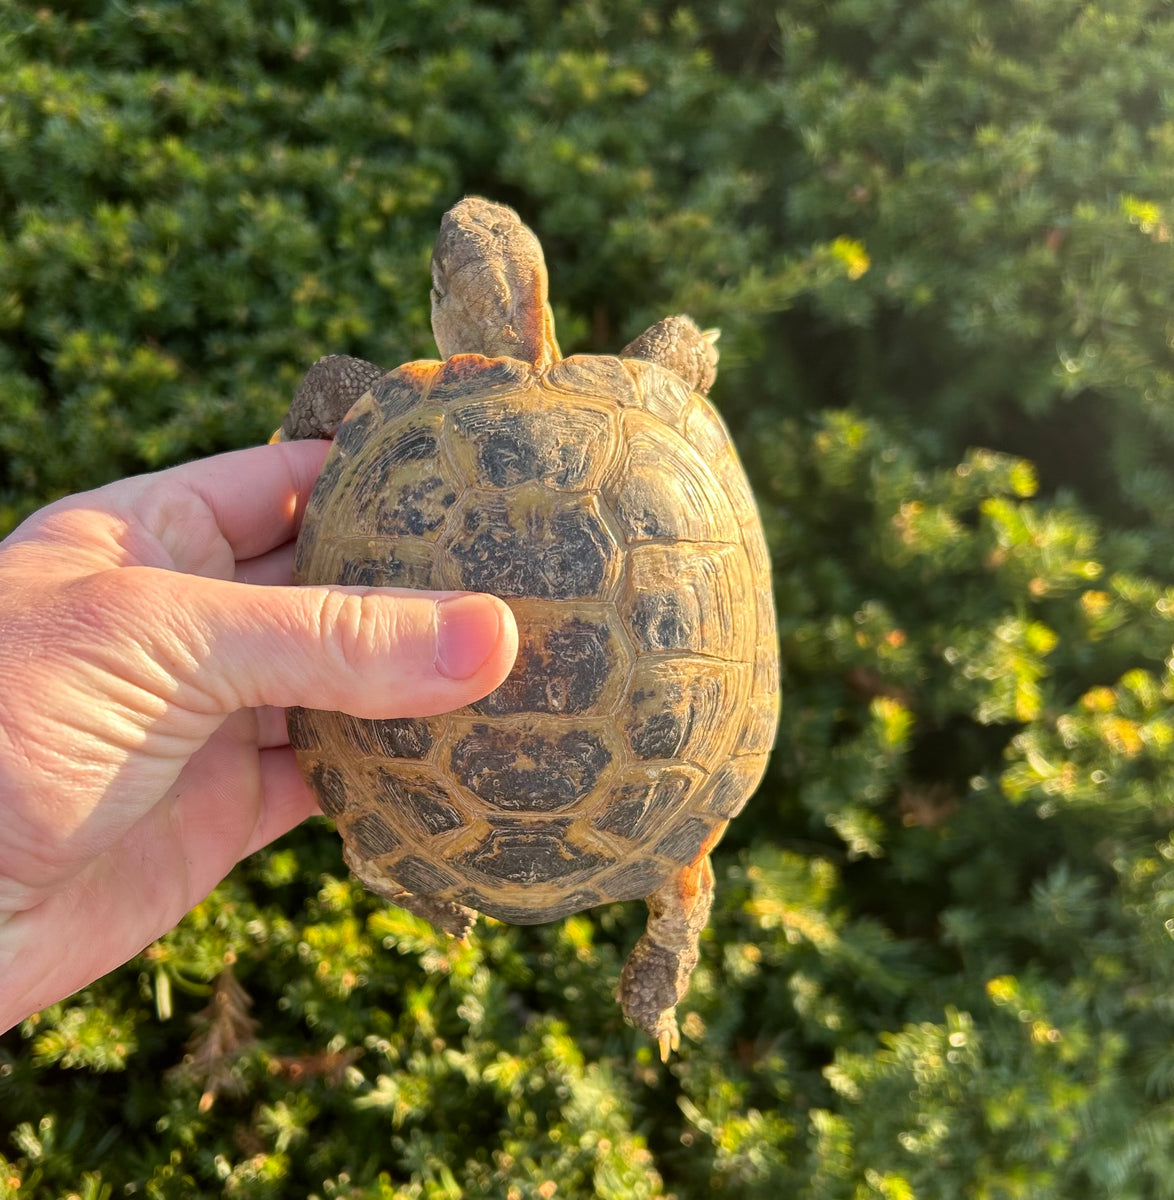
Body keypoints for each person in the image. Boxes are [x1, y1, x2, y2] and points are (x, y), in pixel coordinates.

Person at [0, 439, 518, 1034]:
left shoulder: (408, 429)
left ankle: (409, 875)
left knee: (369, 838)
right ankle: (655, 932)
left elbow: (332, 394)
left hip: (391, 757)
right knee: (369, 842)